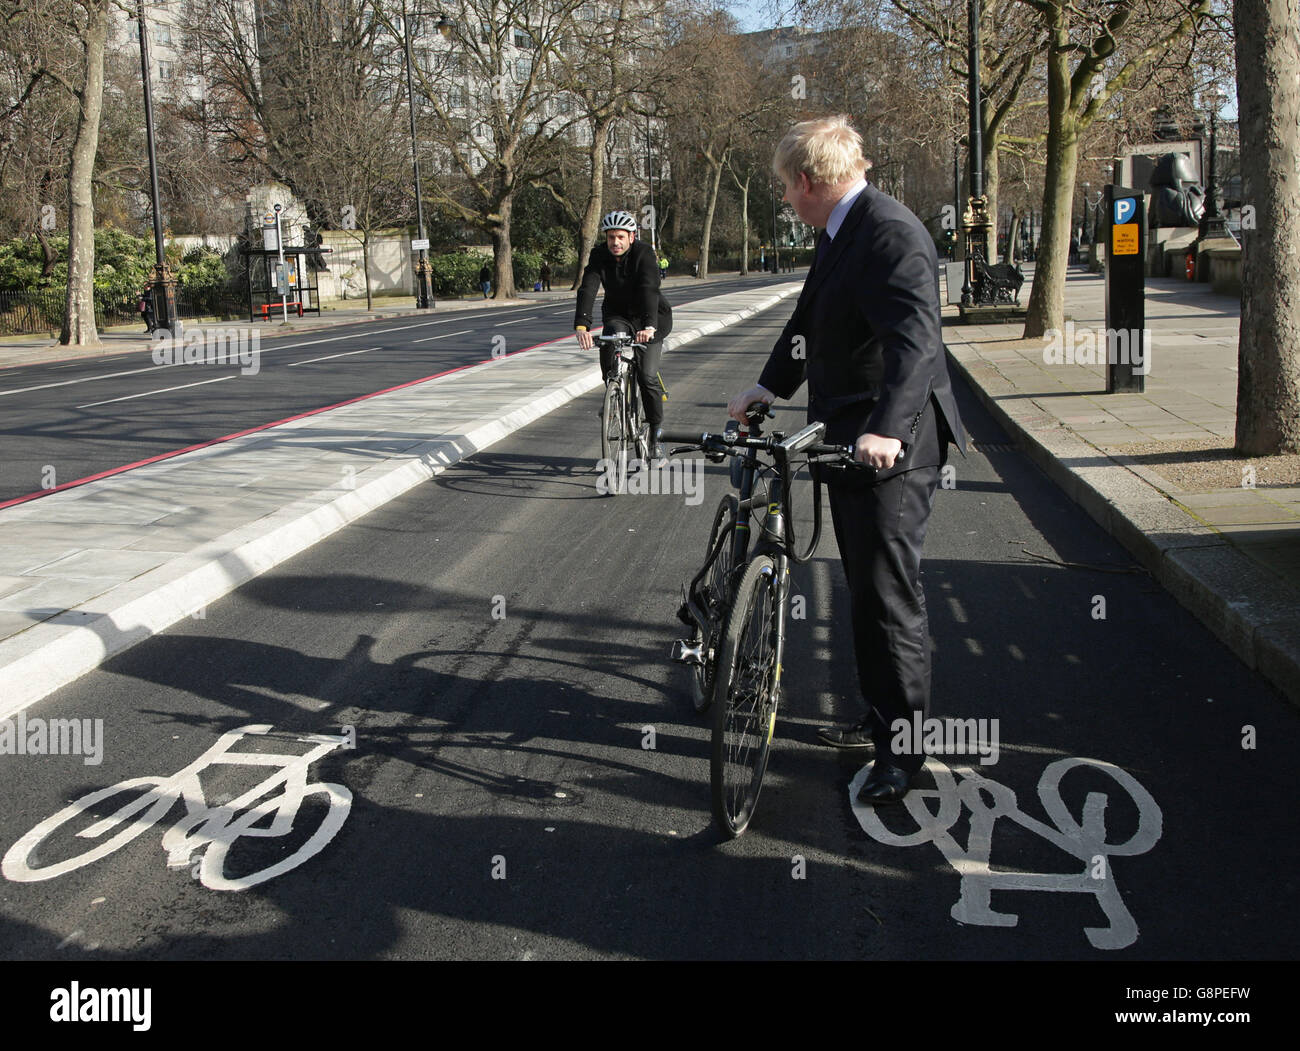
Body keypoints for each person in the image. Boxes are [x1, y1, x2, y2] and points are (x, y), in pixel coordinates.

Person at [727, 115, 966, 805]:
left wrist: (887, 428)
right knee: (864, 589)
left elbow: (917, 343)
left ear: (807, 181)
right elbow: (807, 322)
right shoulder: (842, 231)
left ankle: (903, 751)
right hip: (851, 435)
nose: (785, 200)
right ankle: (879, 713)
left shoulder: (889, 232)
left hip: (891, 445)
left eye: (784, 187)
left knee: (889, 596)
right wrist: (768, 386)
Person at [574, 210, 673, 459]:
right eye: (610, 237)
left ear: (631, 236)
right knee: (609, 341)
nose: (615, 242)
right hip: (618, 314)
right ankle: (614, 393)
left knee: (647, 375)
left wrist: (649, 326)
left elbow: (650, 289)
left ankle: (654, 436)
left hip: (651, 317)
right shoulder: (599, 255)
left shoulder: (644, 253)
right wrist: (582, 325)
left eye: (620, 237)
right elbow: (588, 288)